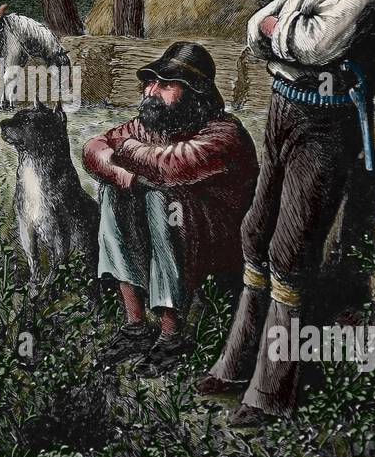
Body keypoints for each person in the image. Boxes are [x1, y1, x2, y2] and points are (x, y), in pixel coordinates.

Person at [197, 0, 375, 426]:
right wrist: (282, 28)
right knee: (257, 229)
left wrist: (280, 31)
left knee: (292, 246)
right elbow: (253, 25)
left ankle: (272, 391)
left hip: (329, 120)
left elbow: (312, 45)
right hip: (285, 110)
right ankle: (236, 363)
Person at [83, 42, 258, 377]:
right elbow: (94, 149)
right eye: (150, 83)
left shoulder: (224, 132)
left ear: (194, 92)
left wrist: (127, 149)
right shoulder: (151, 125)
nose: (151, 92)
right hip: (177, 232)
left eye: (165, 85)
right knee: (116, 191)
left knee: (164, 197)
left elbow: (171, 165)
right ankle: (136, 326)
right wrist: (127, 176)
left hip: (220, 241)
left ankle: (172, 334)